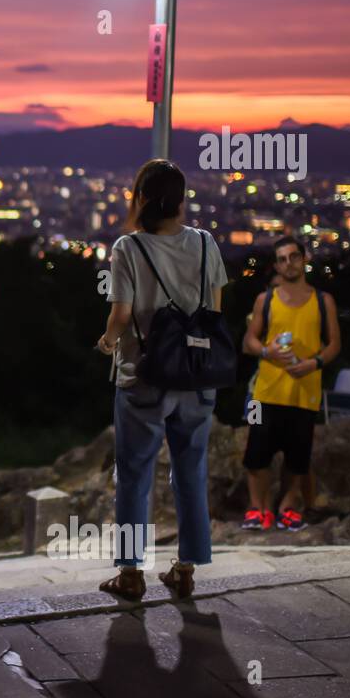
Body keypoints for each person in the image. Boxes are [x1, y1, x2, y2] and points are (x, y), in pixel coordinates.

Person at [95, 158, 229, 600]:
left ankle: (131, 572)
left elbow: (121, 314)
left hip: (144, 374)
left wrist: (106, 342)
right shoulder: (207, 244)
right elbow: (214, 310)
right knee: (191, 469)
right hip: (196, 375)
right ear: (182, 200)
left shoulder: (128, 249)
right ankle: (185, 567)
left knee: (134, 473)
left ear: (141, 199)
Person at [240, 237, 341, 532]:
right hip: (267, 391)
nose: (289, 263)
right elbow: (249, 341)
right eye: (282, 259)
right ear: (277, 265)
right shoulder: (266, 300)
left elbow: (334, 344)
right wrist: (266, 351)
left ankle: (288, 506)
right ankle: (257, 509)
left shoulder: (323, 301)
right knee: (257, 455)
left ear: (304, 258)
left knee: (298, 458)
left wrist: (314, 363)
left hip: (304, 392)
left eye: (293, 257)